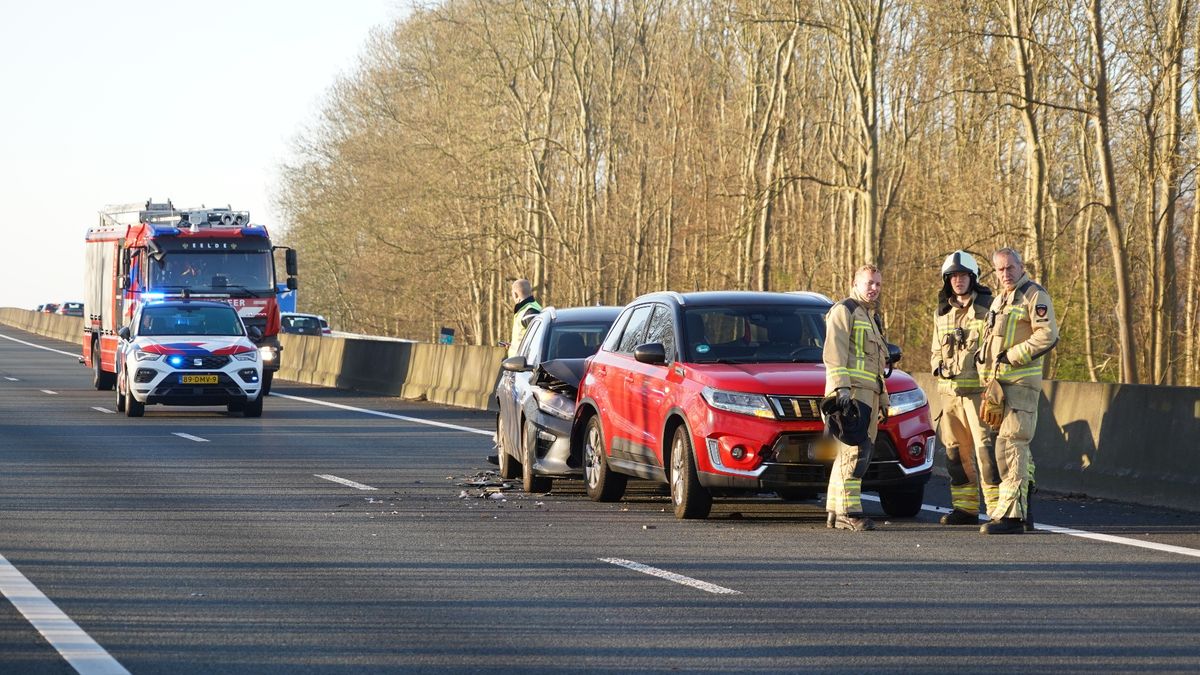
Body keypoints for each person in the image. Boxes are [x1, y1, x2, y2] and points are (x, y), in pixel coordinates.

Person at [977, 247, 1058, 535]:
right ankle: (1023, 507)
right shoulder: (1000, 300)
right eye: (1000, 269)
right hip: (1000, 387)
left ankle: (1012, 516)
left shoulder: (1034, 295)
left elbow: (1048, 334)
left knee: (1012, 445)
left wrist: (1015, 355)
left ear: (1021, 267)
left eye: (1010, 268)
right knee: (1009, 447)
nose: (1005, 274)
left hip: (1022, 384)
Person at [930, 251, 997, 525]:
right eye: (953, 276)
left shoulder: (989, 309)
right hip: (950, 397)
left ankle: (997, 510)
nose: (958, 281)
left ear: (973, 278)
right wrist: (939, 367)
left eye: (963, 276)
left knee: (986, 453)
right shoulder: (941, 313)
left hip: (979, 396)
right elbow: (935, 350)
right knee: (955, 454)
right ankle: (965, 509)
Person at [823, 264, 890, 532]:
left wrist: (883, 400)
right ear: (855, 283)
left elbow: (876, 366)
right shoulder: (845, 310)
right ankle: (849, 513)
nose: (874, 288)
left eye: (878, 284)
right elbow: (834, 352)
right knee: (855, 452)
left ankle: (833, 510)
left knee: (850, 453)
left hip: (869, 393)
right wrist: (840, 390)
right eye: (869, 283)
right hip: (851, 394)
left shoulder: (870, 317)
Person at [508, 279, 542, 358]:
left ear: (515, 295)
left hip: (523, 363)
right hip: (520, 360)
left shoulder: (529, 312)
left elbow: (536, 339)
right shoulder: (531, 308)